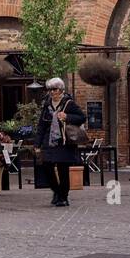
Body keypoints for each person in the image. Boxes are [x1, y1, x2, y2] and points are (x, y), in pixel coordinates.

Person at [37, 77, 85, 207]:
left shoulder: (69, 103)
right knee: (46, 167)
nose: (52, 92)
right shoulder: (47, 104)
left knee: (63, 170)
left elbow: (82, 117)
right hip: (49, 141)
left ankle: (63, 197)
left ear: (61, 90)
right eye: (50, 90)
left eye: (55, 89)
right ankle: (57, 192)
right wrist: (37, 144)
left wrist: (67, 117)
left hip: (64, 141)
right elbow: (41, 124)